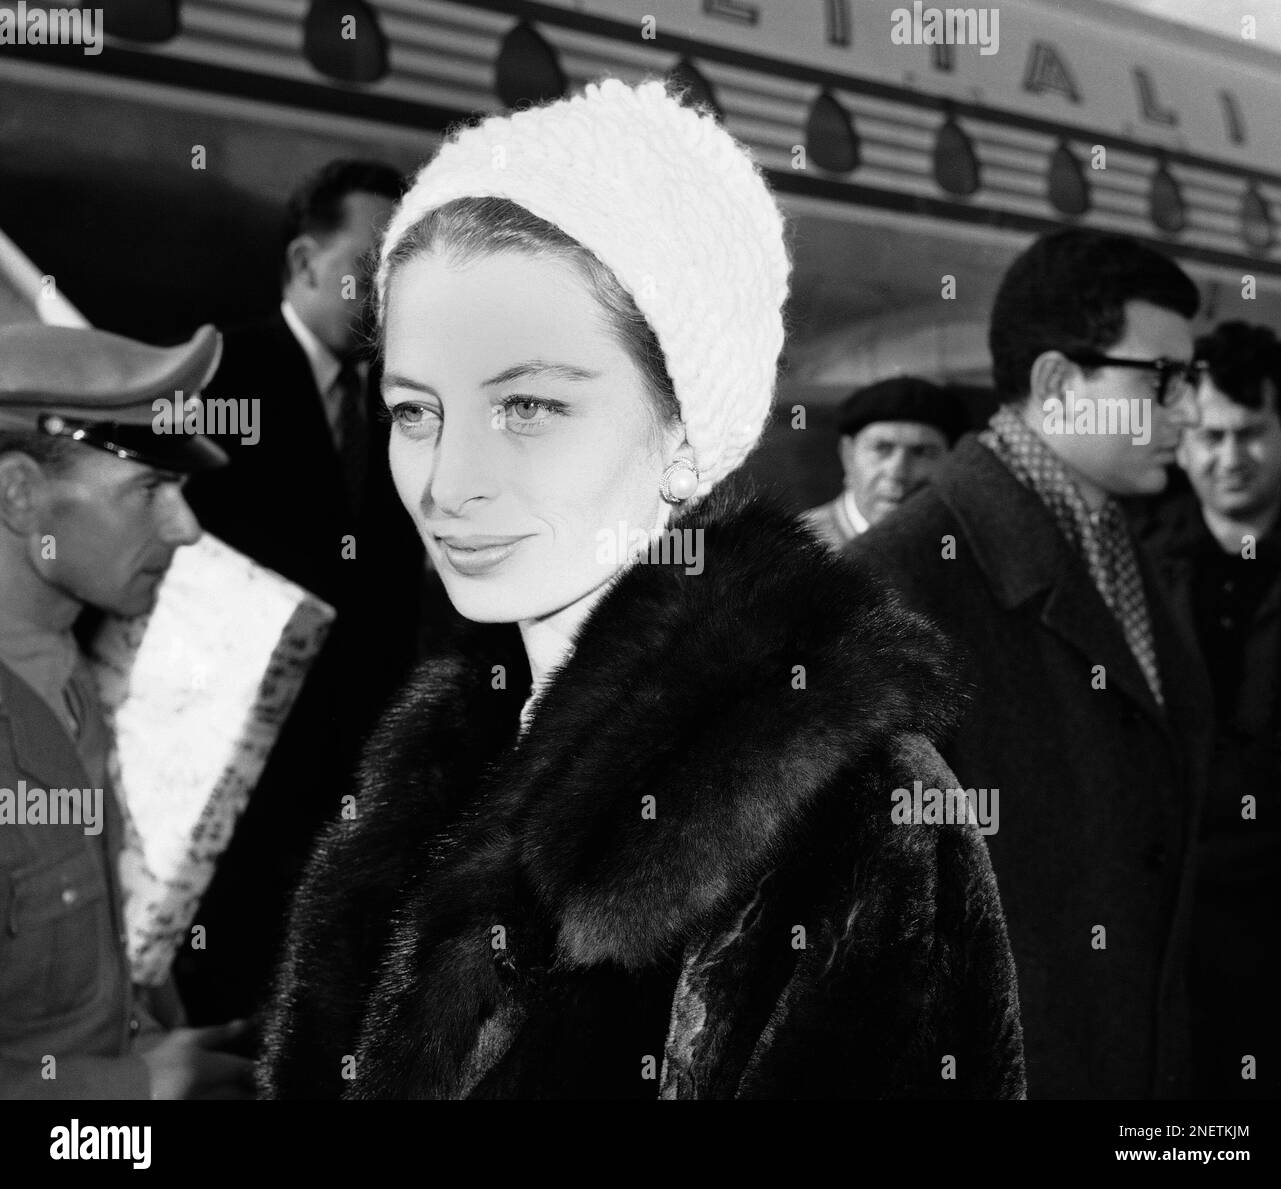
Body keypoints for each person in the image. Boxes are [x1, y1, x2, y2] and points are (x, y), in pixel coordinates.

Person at [258, 80, 1025, 1100]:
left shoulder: (849, 810)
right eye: (413, 411)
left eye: (527, 404)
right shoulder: (445, 753)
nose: (447, 481)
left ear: (682, 433)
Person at [849, 229, 1213, 1099]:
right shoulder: (898, 582)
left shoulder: (1117, 542)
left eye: (1190, 381)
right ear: (1057, 383)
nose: (1189, 411)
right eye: (1162, 380)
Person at [175, 160, 427, 1026]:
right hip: (228, 779)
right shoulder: (211, 379)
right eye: (370, 263)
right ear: (304, 261)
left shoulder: (412, 410)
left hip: (360, 782)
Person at [0, 322, 253, 1099]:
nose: (186, 527)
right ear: (18, 494)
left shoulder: (64, 674)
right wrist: (129, 1094)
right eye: (147, 488)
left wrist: (149, 1033)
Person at [1136, 320, 1281, 1098]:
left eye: (1249, 433)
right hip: (1175, 926)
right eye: (1206, 434)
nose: (1226, 458)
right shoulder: (1133, 553)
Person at [801, 376, 968, 550]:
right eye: (882, 448)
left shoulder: (962, 545)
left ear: (951, 460)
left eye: (921, 452)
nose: (898, 472)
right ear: (849, 455)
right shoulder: (796, 547)